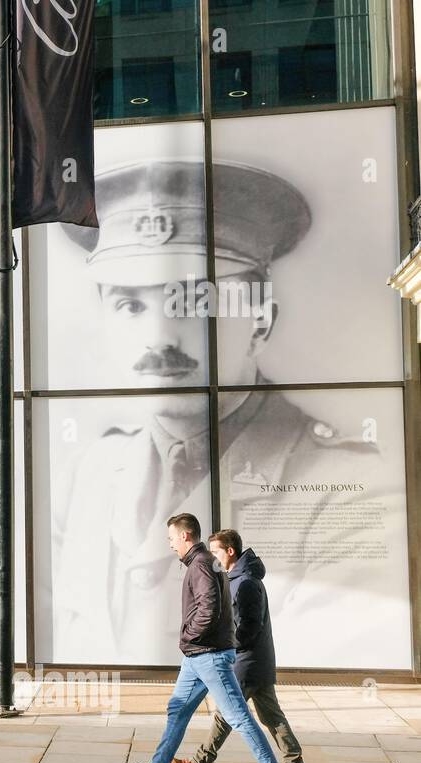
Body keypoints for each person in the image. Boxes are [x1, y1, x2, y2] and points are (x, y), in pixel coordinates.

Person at [51, 159, 394, 663]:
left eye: (191, 303)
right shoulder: (91, 473)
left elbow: (336, 654)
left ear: (260, 320)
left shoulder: (352, 486)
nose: (157, 338)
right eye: (129, 306)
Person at [120, 513, 294, 763]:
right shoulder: (205, 562)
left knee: (238, 717)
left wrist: (190, 634)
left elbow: (209, 607)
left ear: (185, 536)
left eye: (172, 538)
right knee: (178, 710)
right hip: (198, 656)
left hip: (208, 655)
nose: (171, 544)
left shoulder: (200, 564)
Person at [171, 529, 308, 763]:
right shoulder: (239, 578)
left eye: (215, 552)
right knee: (271, 715)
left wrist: (227, 648)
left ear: (230, 551)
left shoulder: (245, 582)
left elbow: (248, 626)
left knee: (226, 714)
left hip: (246, 661)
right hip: (255, 661)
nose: (211, 558)